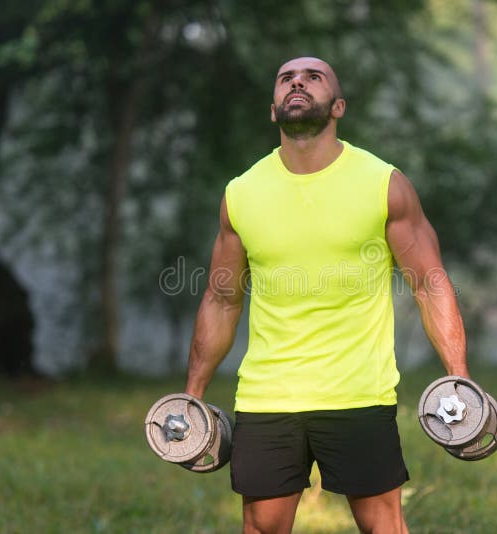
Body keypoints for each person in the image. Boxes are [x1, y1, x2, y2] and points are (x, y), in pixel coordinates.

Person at [184, 56, 469, 534]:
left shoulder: (383, 184)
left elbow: (429, 283)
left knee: (383, 526)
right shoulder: (242, 193)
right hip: (268, 395)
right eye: (286, 78)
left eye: (313, 77)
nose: (297, 82)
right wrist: (193, 394)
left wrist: (458, 378)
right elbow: (221, 299)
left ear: (338, 106)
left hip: (358, 392)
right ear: (273, 109)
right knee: (262, 528)